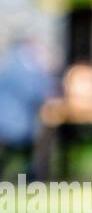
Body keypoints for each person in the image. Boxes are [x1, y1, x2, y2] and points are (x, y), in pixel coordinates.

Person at [0, 36, 56, 180]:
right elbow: (39, 94)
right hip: (21, 127)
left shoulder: (7, 67)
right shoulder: (30, 70)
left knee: (9, 154)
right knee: (36, 146)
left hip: (4, 126)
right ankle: (32, 178)